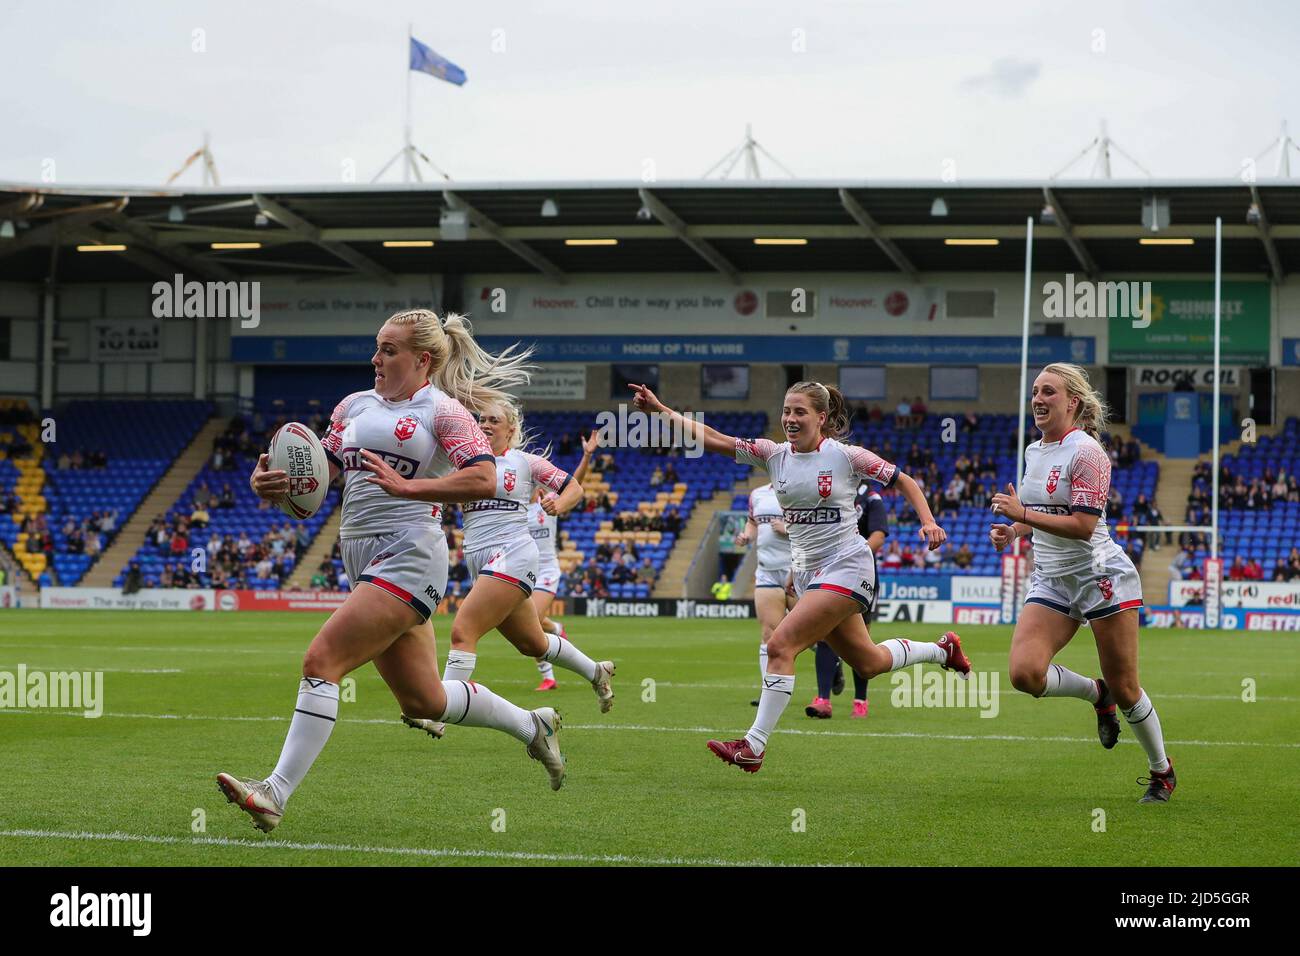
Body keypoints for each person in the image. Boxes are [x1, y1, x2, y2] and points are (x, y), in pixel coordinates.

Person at [216, 310, 567, 835]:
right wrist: (269, 481)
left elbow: (484, 476)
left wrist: (409, 489)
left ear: (421, 360)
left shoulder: (444, 413)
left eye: (388, 350)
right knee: (424, 699)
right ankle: (531, 724)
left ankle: (274, 792)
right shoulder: (352, 406)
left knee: (322, 660)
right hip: (363, 560)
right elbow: (321, 474)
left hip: (411, 555)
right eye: (377, 347)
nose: (375, 359)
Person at [631, 379, 970, 773]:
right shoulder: (773, 455)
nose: (790, 419)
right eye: (787, 411)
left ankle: (753, 746)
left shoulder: (847, 457)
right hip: (810, 573)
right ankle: (943, 650)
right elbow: (713, 438)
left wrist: (928, 522)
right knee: (870, 662)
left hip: (848, 565)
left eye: (800, 412)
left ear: (821, 418)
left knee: (780, 645)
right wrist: (661, 411)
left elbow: (904, 481)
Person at [989, 362, 1175, 804]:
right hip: (1052, 578)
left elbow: (1084, 525)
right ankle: (1096, 694)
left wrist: (1022, 516)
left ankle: (1161, 771)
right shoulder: (1035, 451)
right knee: (1024, 674)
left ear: (1073, 401)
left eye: (1048, 391)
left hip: (1099, 576)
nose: (1038, 398)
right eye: (1035, 391)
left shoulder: (1088, 453)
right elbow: (1044, 517)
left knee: (1128, 687)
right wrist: (1014, 532)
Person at [406, 397, 614, 732]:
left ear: (512, 429)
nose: (485, 424)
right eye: (481, 419)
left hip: (514, 553)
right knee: (533, 643)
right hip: (479, 560)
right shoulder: (466, 465)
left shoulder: (526, 463)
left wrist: (559, 503)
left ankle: (437, 712)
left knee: (463, 631)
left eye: (493, 420)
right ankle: (596, 671)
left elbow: (574, 487)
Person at [529, 428, 599, 691]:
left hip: (546, 570)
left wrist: (587, 456)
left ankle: (548, 677)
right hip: (523, 572)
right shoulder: (515, 509)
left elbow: (576, 482)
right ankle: (556, 629)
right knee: (527, 624)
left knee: (532, 622)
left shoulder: (548, 504)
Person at [814, 482, 890, 719]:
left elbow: (878, 535)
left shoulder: (871, 499)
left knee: (862, 642)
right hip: (828, 572)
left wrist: (854, 557)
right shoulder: (830, 495)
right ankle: (823, 699)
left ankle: (860, 701)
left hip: (859, 574)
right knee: (824, 635)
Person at [734, 480, 794, 709]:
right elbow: (752, 522)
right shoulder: (757, 494)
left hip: (797, 570)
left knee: (811, 633)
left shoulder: (800, 489)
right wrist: (747, 536)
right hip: (767, 571)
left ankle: (831, 665)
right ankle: (767, 690)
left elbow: (815, 527)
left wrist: (787, 529)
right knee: (769, 633)